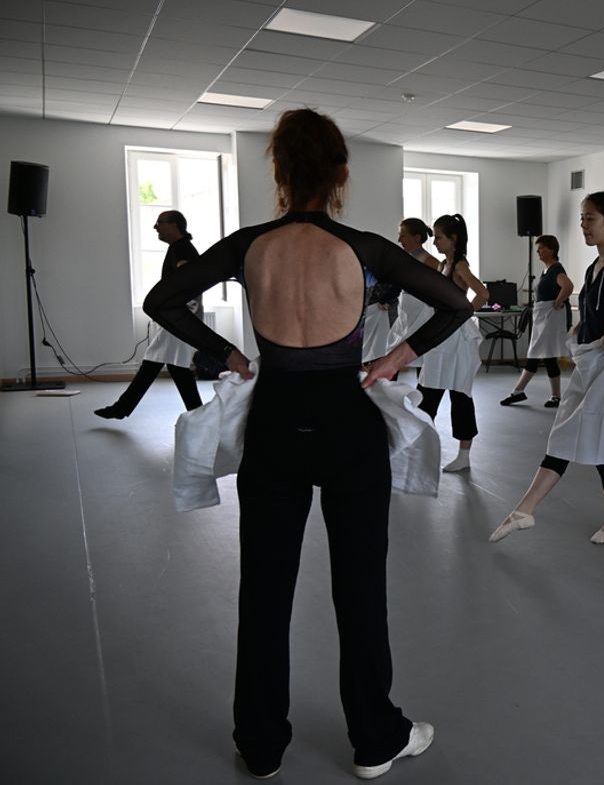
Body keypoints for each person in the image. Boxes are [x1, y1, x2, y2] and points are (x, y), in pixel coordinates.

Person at [142, 108, 472, 780]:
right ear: (341, 173)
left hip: (275, 422)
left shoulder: (247, 244)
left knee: (264, 588)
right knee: (360, 586)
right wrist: (396, 356)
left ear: (280, 172)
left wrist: (226, 353)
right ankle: (376, 739)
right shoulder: (367, 248)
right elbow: (459, 303)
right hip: (346, 425)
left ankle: (261, 745)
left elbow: (163, 300)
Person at [489, 191, 604, 545]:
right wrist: (583, 331)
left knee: (603, 445)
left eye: (589, 218)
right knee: (563, 432)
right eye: (582, 218)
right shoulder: (595, 268)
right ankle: (524, 510)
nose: (583, 225)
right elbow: (597, 310)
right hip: (594, 362)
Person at [95, 210, 203, 419]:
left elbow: (189, 283)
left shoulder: (182, 249)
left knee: (159, 363)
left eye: (160, 222)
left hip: (179, 319)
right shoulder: (178, 248)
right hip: (178, 319)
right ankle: (198, 415)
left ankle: (122, 409)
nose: (155, 227)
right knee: (171, 366)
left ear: (174, 225)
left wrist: (176, 312)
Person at [416, 214, 489, 472]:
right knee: (427, 390)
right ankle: (421, 448)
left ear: (453, 239)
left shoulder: (459, 266)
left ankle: (464, 456)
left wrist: (462, 315)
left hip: (456, 341)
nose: (434, 241)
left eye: (438, 237)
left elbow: (482, 293)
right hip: (441, 336)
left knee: (460, 394)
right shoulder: (443, 265)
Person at [500, 234, 573, 407]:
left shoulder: (556, 269)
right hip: (544, 317)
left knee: (535, 354)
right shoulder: (546, 270)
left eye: (541, 248)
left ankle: (518, 391)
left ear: (552, 249)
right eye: (537, 249)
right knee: (547, 356)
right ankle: (555, 396)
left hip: (550, 318)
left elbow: (568, 286)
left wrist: (558, 301)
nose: (538, 252)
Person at [361, 219, 439, 367]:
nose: (399, 240)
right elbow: (398, 284)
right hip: (405, 311)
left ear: (416, 238)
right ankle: (389, 386)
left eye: (403, 236)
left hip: (421, 313)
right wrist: (385, 300)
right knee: (393, 349)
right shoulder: (405, 259)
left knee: (418, 353)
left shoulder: (430, 262)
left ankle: (421, 388)